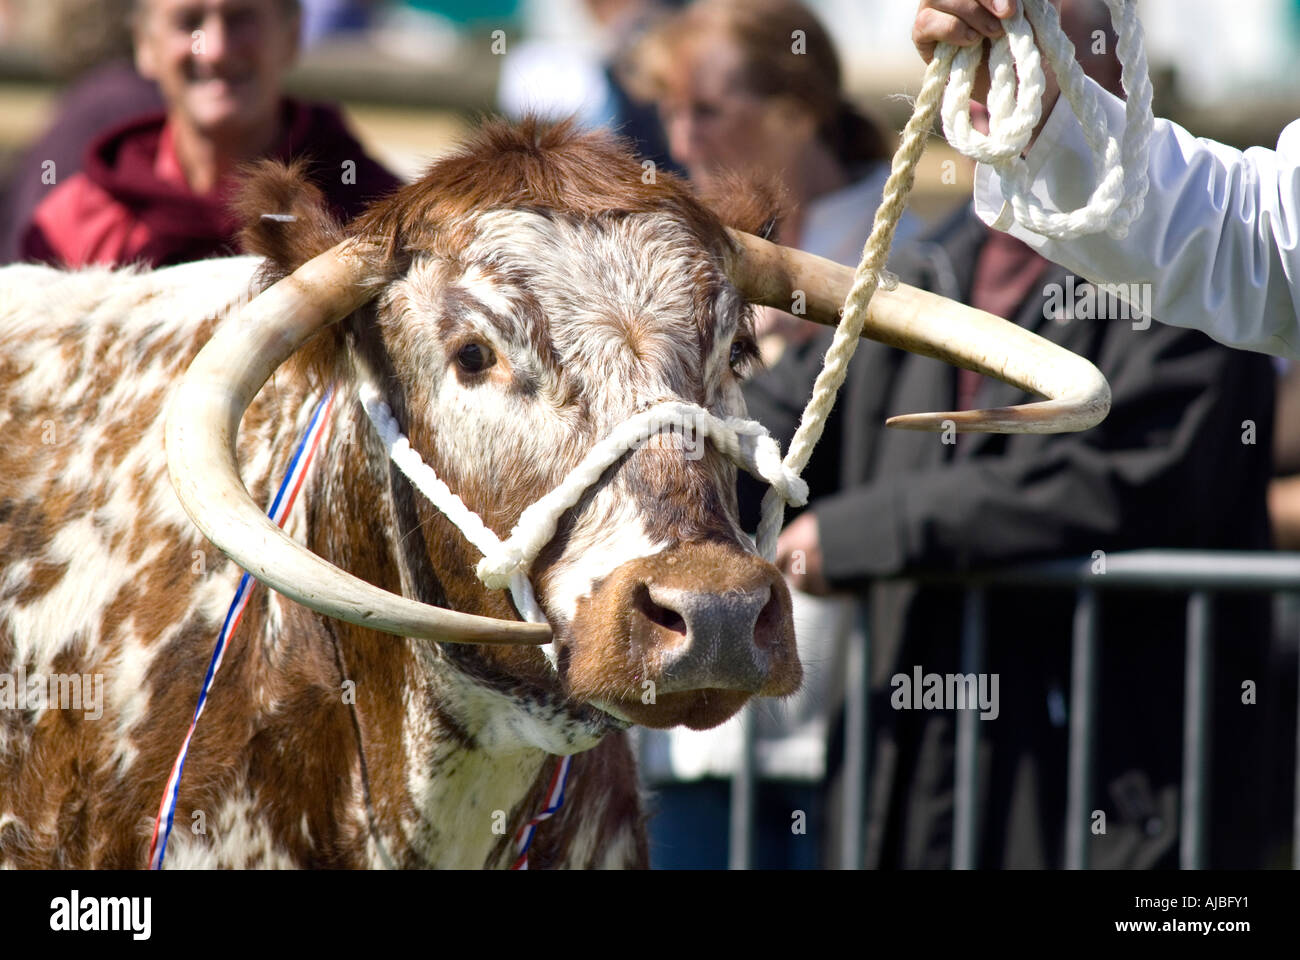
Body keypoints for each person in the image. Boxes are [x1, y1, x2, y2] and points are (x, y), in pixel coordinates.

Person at [745, 0, 1281, 868]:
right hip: (915, 791)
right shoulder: (924, 268)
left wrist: (863, 534)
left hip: (1119, 805)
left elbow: (1122, 483)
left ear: (1107, 65)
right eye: (984, 41)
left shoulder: (1193, 294)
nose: (988, 61)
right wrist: (655, 442)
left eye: (1026, 38)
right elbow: (784, 419)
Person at [628, 0, 917, 869]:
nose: (681, 143)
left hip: (845, 715)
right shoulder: (686, 264)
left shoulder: (908, 261)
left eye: (707, 110)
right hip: (696, 710)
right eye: (671, 112)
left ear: (797, 109)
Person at [912, 0, 1300, 358]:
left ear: (1114, 64)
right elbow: (1256, 242)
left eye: (1068, 52)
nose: (982, 113)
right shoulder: (923, 265)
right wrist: (1023, 91)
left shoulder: (1173, 334)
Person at [18, 0, 399, 268]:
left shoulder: (375, 218)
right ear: (145, 45)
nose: (215, 49)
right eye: (188, 21)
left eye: (241, 17)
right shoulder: (75, 226)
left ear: (292, 34)